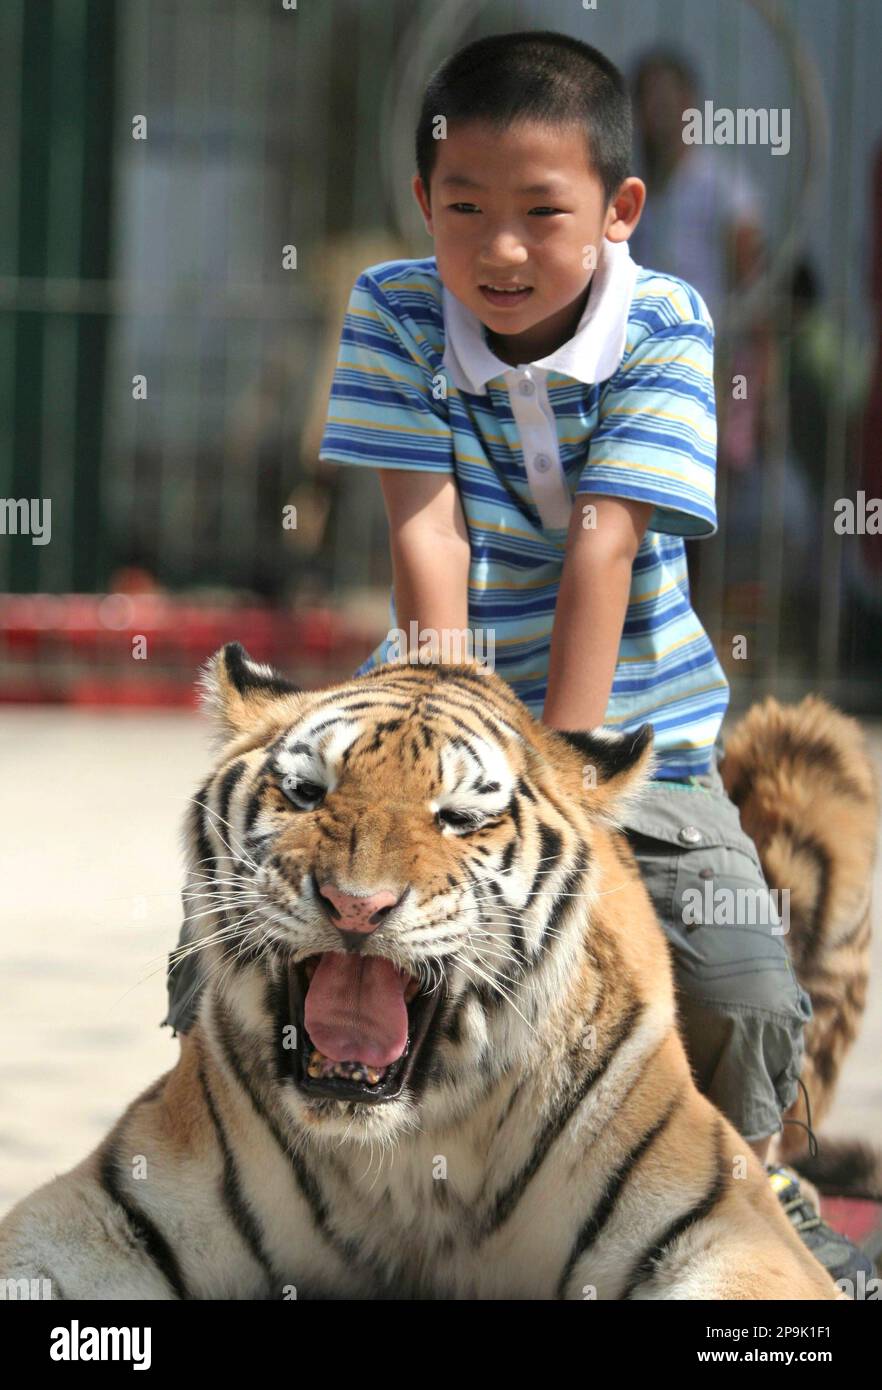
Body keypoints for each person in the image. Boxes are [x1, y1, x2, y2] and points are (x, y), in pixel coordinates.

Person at [165, 29, 868, 1284]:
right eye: (466, 208)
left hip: (633, 734)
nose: (498, 249)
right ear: (425, 199)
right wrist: (456, 756)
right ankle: (229, 1160)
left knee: (745, 985)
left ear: (619, 210)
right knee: (221, 925)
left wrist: (549, 793)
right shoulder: (392, 308)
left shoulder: (665, 319)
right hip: (434, 716)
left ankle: (759, 1174)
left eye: (542, 213)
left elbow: (605, 547)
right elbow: (423, 528)